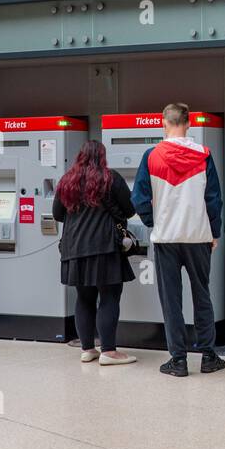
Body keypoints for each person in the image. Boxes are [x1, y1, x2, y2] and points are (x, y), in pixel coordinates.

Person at [131, 103, 225, 377]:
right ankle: (208, 356)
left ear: (164, 123)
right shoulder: (204, 155)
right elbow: (214, 200)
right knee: (202, 294)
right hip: (198, 236)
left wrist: (153, 221)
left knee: (171, 299)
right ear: (189, 123)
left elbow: (138, 198)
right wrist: (214, 232)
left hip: (166, 238)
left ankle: (179, 360)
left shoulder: (151, 156)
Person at [53, 140, 137, 366]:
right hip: (104, 247)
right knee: (109, 296)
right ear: (102, 157)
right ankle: (109, 351)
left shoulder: (66, 181)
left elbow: (57, 214)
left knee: (84, 297)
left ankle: (88, 349)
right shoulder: (111, 178)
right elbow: (130, 210)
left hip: (75, 248)